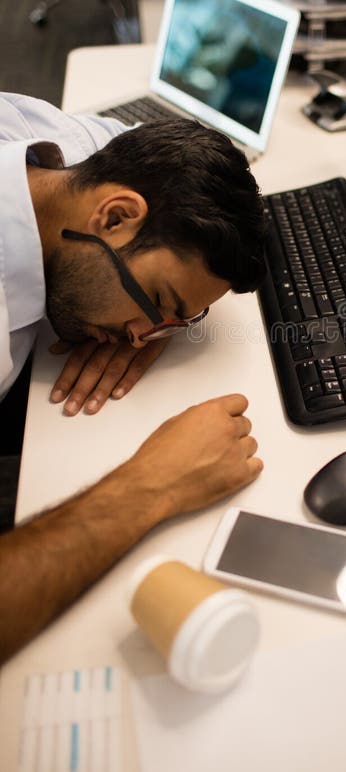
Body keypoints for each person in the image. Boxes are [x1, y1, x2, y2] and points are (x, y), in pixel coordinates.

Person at [0, 92, 267, 661]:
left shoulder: (67, 153)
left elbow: (178, 157)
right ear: (116, 218)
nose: (141, 338)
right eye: (157, 304)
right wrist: (151, 484)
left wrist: (161, 313)